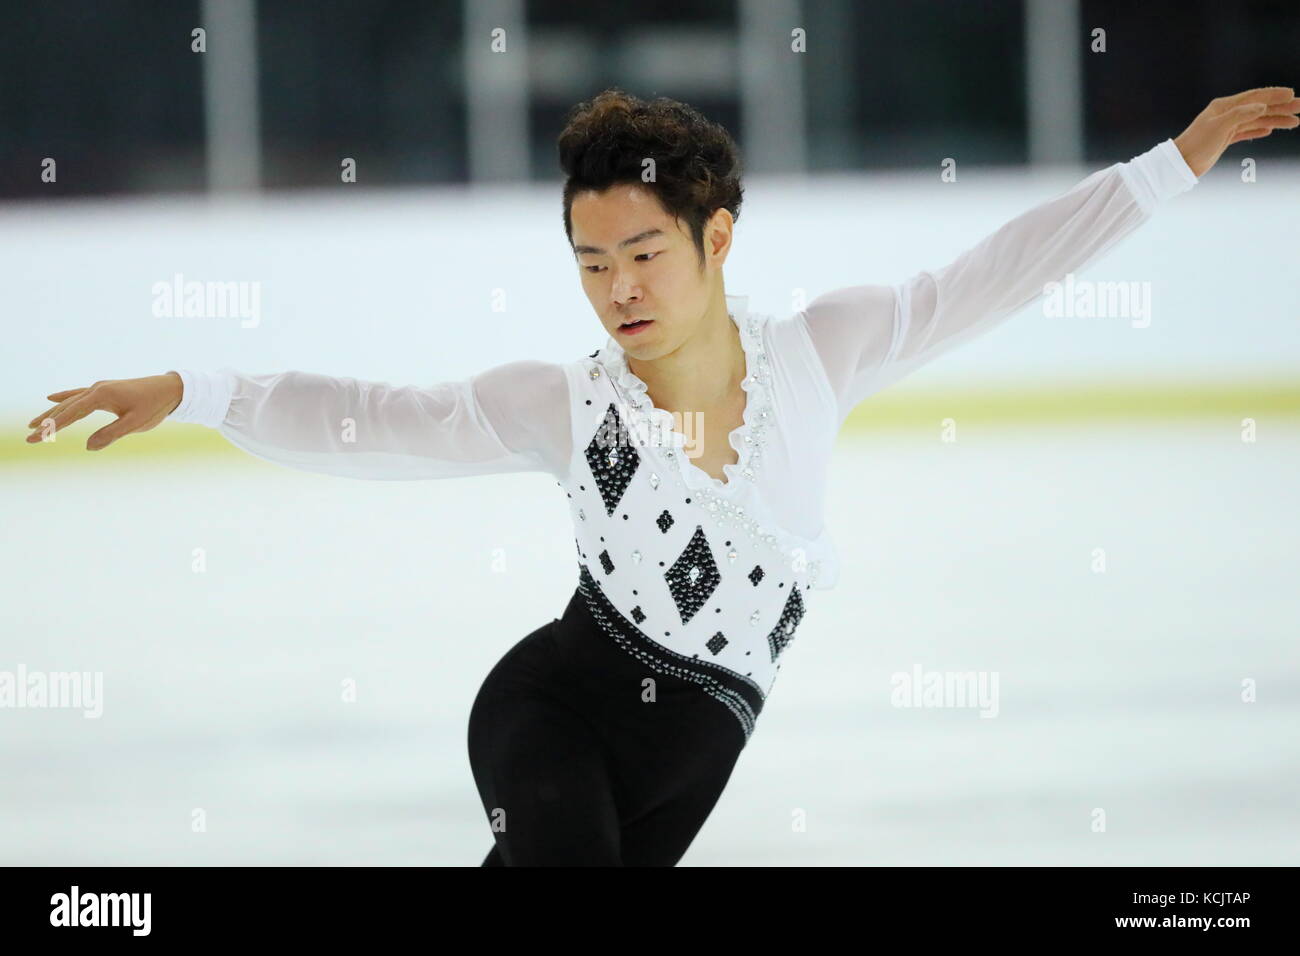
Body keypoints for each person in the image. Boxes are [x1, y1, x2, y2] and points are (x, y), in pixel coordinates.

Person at [25, 86, 1298, 866]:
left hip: (700, 749)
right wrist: (198, 388)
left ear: (717, 235)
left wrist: (1169, 162)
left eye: (642, 250)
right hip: (553, 711)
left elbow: (999, 269)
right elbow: (369, 417)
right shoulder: (563, 403)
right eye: (589, 262)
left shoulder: (825, 351)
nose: (618, 286)